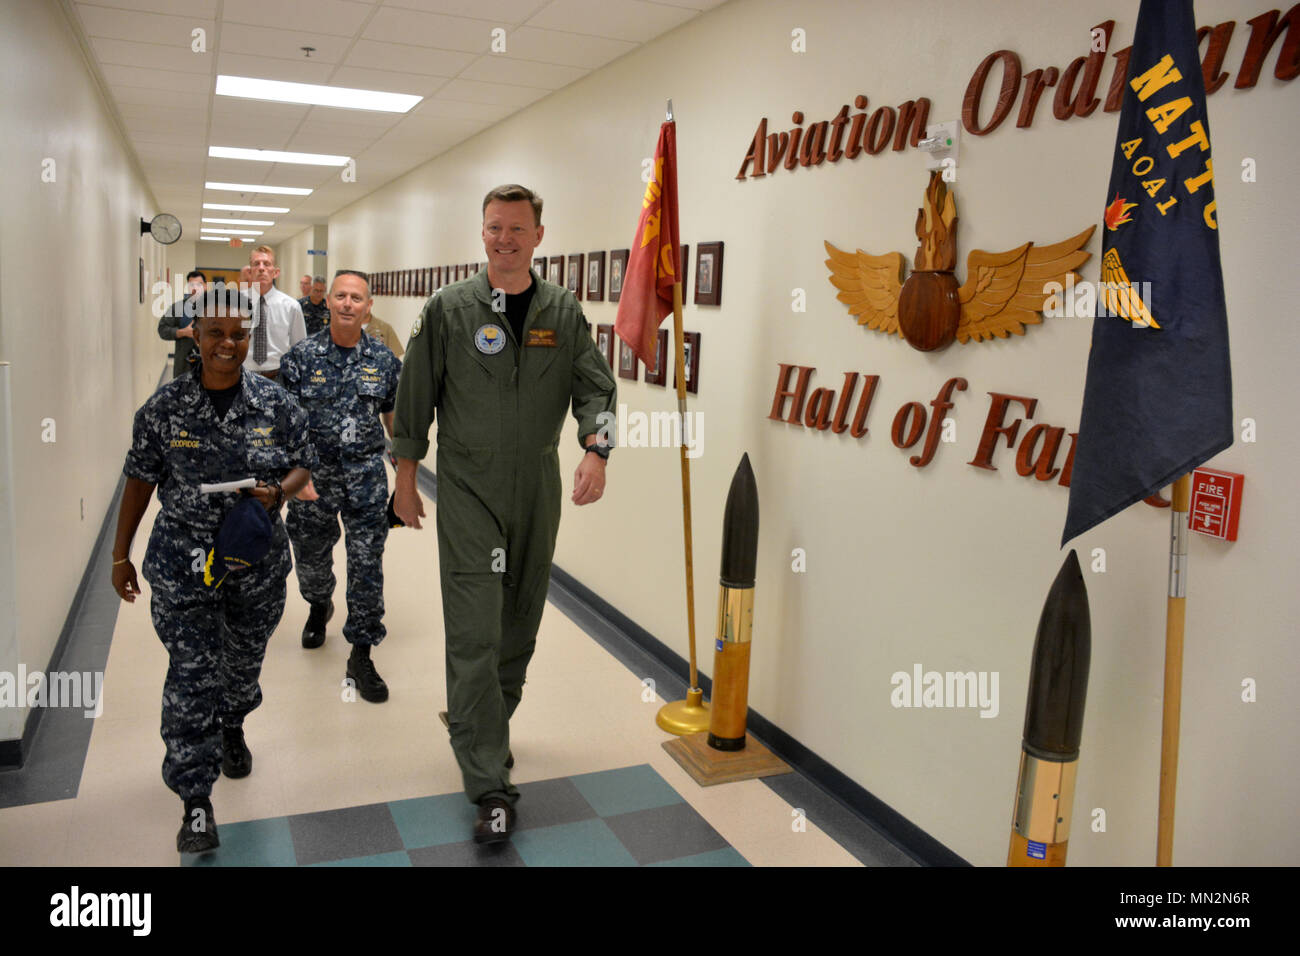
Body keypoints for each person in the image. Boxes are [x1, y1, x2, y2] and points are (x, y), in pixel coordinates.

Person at [392, 184, 617, 844]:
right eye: (494, 228)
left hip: (536, 487)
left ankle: (480, 725)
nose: (504, 238)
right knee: (475, 630)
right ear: (481, 233)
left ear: (538, 237)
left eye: (517, 228)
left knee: (518, 625)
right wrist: (405, 478)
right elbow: (415, 395)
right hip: (467, 487)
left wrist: (596, 450)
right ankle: (489, 782)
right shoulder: (449, 309)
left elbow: (595, 385)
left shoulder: (562, 309)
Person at [111, 287, 315, 853]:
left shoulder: (276, 404)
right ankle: (195, 799)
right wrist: (119, 552)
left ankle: (234, 722)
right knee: (191, 672)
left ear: (251, 337)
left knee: (243, 661)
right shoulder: (163, 409)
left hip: (255, 562)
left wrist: (278, 492)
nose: (228, 344)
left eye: (239, 334)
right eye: (216, 333)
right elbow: (139, 479)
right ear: (194, 337)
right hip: (184, 565)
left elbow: (304, 464)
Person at [279, 271, 401, 702]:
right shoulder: (300, 358)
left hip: (366, 474)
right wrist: (295, 477)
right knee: (311, 557)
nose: (349, 304)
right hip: (314, 475)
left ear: (369, 307)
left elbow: (393, 416)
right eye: (341, 296)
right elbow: (287, 425)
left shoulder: (384, 361)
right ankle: (318, 604)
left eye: (358, 298)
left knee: (367, 563)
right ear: (327, 301)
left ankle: (362, 652)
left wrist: (403, 471)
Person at [243, 245, 307, 380]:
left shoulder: (291, 306)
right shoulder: (235, 303)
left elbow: (300, 348)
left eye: (267, 264)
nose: (261, 268)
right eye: (256, 264)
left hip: (277, 376)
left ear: (275, 272)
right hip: (243, 375)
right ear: (250, 272)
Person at [157, 270, 206, 379]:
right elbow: (162, 329)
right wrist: (181, 332)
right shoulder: (178, 308)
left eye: (199, 284)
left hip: (209, 369)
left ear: (205, 286)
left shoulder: (216, 309)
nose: (195, 288)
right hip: (184, 369)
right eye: (191, 285)